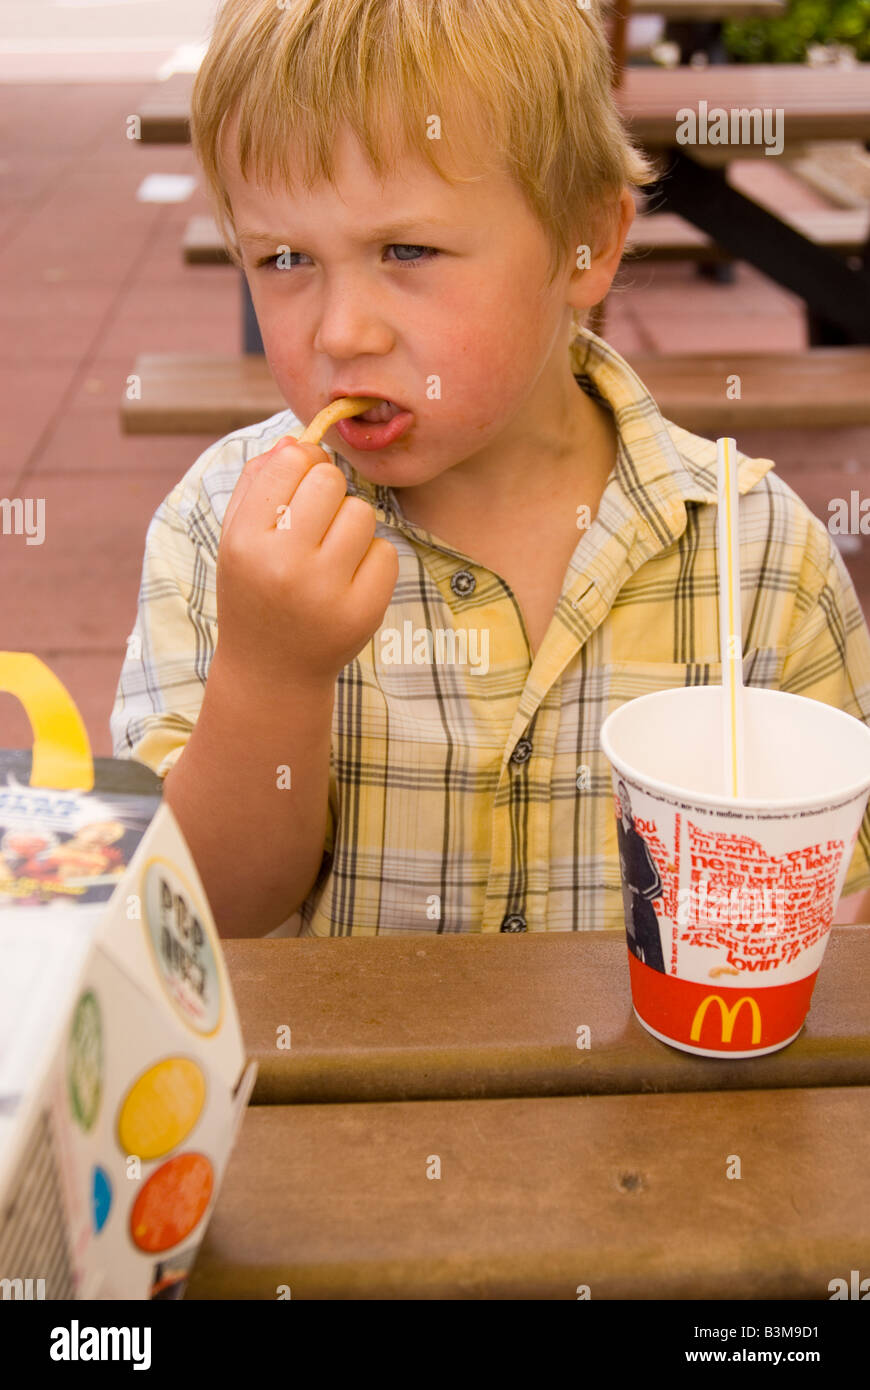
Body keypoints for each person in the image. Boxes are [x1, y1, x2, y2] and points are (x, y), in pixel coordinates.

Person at [111, 0, 870, 938]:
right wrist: (269, 675)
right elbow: (205, 911)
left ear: (586, 245)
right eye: (284, 257)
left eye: (407, 250)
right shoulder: (219, 529)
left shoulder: (755, 556)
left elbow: (837, 904)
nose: (341, 331)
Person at [615, 783, 666, 973]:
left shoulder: (637, 840)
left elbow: (657, 885)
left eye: (627, 800)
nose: (625, 804)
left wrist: (635, 889)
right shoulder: (623, 834)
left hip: (643, 912)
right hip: (629, 914)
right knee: (637, 965)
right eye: (622, 799)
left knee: (654, 966)